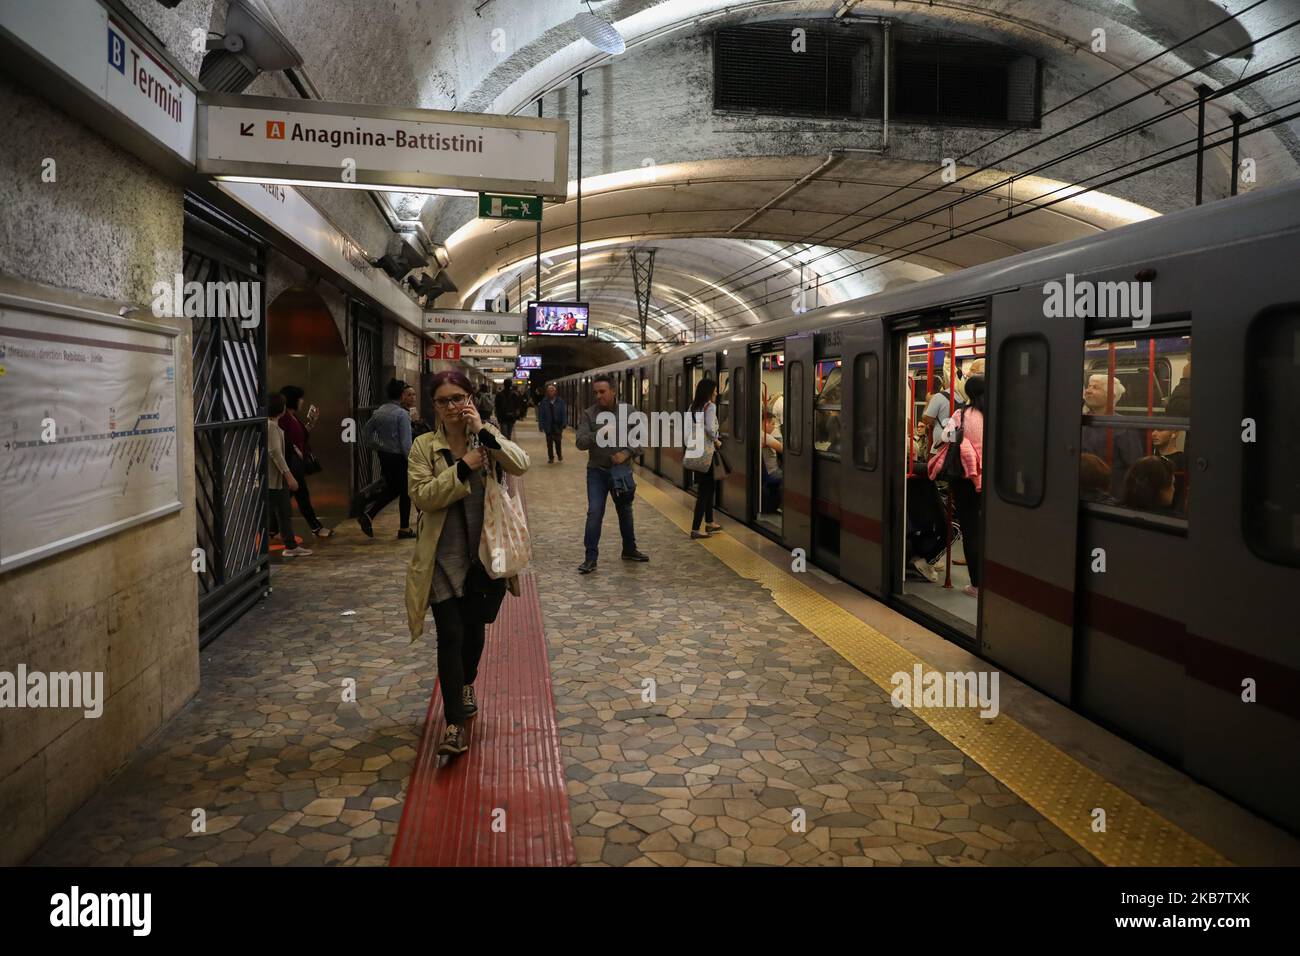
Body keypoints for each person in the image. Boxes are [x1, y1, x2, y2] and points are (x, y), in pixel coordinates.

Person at [404, 370, 530, 757]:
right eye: (444, 401)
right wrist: (463, 467)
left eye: (459, 398)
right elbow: (422, 496)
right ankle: (455, 722)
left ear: (471, 399)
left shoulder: (488, 439)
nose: (453, 407)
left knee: (475, 634)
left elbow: (521, 464)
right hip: (442, 558)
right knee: (451, 635)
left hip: (483, 558)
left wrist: (487, 434)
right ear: (435, 407)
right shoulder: (424, 447)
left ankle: (465, 683)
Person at [575, 372, 648, 573]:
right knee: (595, 512)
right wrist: (598, 434)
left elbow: (640, 439)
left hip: (621, 472)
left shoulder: (629, 411)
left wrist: (626, 453)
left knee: (625, 511)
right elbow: (580, 443)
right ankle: (590, 557)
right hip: (596, 472)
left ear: (613, 391)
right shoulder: (589, 414)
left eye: (602, 392)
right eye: (596, 392)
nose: (598, 396)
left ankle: (630, 549)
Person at [929, 374, 985, 597]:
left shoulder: (962, 414)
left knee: (972, 531)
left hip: (966, 479)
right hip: (992, 481)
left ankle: (977, 585)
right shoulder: (996, 413)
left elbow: (946, 436)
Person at [358, 379, 417, 540]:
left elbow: (365, 433)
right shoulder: (402, 414)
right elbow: (406, 444)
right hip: (399, 457)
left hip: (384, 456)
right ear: (400, 395)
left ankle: (369, 515)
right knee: (405, 491)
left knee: (393, 489)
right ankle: (404, 528)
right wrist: (413, 461)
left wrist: (378, 446)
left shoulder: (379, 411)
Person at [278, 385, 333, 539]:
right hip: (290, 465)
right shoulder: (284, 418)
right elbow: (284, 441)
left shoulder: (292, 417)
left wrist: (312, 422)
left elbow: (301, 436)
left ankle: (272, 529)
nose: (302, 401)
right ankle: (315, 527)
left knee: (287, 498)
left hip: (296, 464)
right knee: (302, 497)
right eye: (300, 398)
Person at [1081, 372, 1144, 499]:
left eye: (1095, 387)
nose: (1088, 391)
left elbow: (1134, 466)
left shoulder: (1123, 426)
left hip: (1112, 494)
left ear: (1111, 396)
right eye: (1088, 386)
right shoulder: (1081, 421)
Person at [267, 393, 312, 557]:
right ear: (281, 408)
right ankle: (255, 553)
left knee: (284, 513)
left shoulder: (274, 425)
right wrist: (289, 476)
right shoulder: (271, 427)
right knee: (274, 514)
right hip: (273, 480)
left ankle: (291, 546)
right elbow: (275, 453)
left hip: (277, 481)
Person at [688, 377, 724, 539]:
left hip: (697, 450)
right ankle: (696, 528)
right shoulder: (710, 407)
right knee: (704, 491)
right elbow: (710, 429)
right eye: (715, 390)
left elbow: (690, 428)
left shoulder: (692, 407)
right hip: (708, 451)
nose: (717, 392)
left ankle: (709, 521)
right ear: (709, 392)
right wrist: (716, 439)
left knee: (709, 486)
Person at [1150, 428, 1188, 513]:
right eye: (1153, 429)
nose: (1153, 433)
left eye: (1160, 429)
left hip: (1173, 513)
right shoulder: (1150, 457)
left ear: (1174, 433)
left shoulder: (1183, 460)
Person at [760, 411, 783, 514]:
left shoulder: (759, 435)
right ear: (766, 423)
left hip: (767, 471)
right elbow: (783, 449)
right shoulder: (765, 436)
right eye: (773, 424)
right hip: (772, 472)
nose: (774, 427)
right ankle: (782, 507)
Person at [538, 382, 567, 463]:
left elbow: (563, 413)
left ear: (555, 392)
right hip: (548, 426)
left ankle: (559, 455)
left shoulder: (560, 401)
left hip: (558, 426)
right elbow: (541, 415)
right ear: (547, 392)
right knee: (549, 443)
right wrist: (541, 425)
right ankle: (551, 458)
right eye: (549, 390)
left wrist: (564, 423)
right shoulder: (544, 402)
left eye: (552, 390)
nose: (551, 392)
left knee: (558, 442)